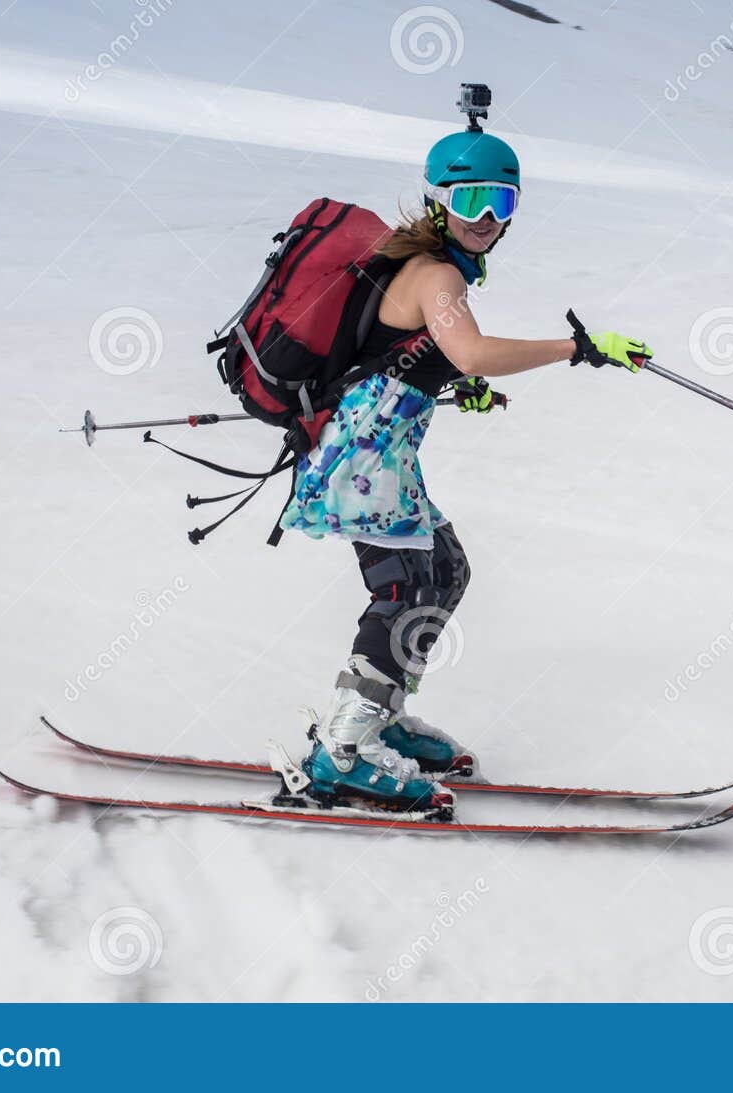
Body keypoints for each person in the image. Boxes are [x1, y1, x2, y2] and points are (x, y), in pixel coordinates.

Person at [267, 125, 652, 815]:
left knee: (442, 570)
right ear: (440, 199)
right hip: (363, 455)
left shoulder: (429, 266)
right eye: (471, 199)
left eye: (501, 203)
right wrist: (578, 347)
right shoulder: (437, 272)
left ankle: (377, 716)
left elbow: (414, 349)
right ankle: (346, 751)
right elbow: (469, 349)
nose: (485, 219)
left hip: (377, 448)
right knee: (407, 587)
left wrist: (447, 382)